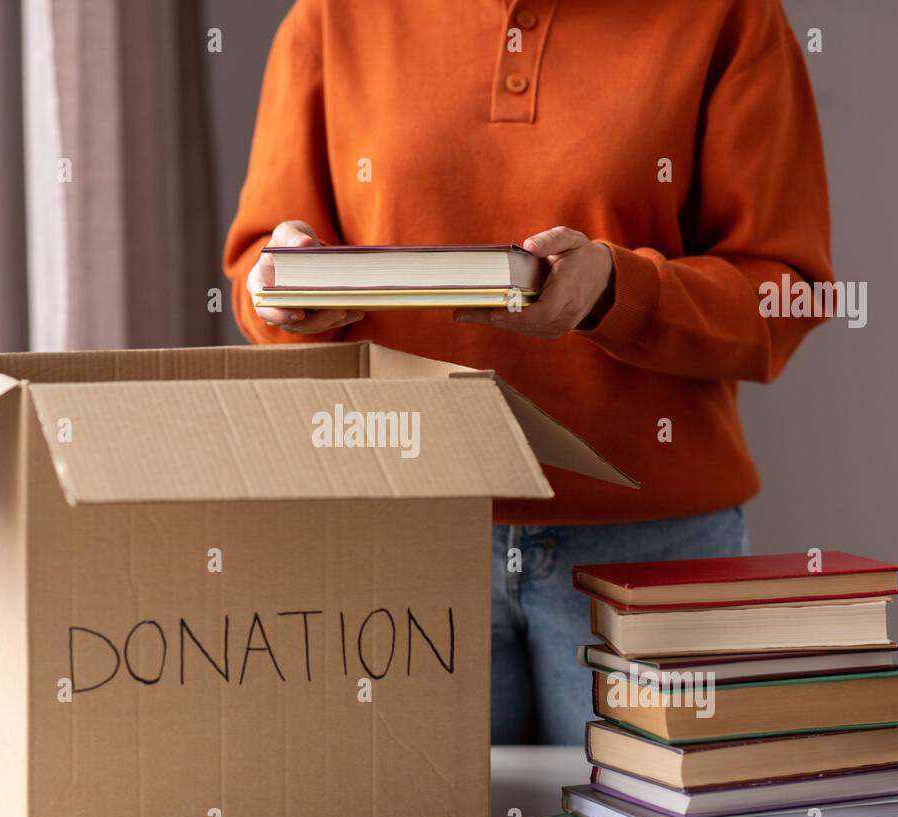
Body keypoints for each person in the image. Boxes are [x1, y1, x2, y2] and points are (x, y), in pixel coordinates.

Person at [223, 0, 832, 744]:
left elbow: (784, 293)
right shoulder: (328, 19)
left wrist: (617, 292)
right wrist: (283, 297)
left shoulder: (730, 18)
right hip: (402, 537)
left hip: (653, 550)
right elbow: (260, 268)